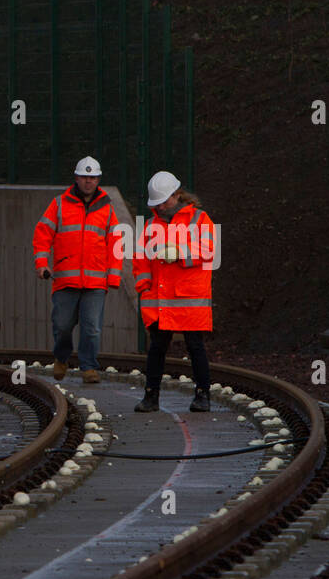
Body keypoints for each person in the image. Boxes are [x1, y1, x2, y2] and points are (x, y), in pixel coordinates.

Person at [32, 156, 122, 383]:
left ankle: (88, 367)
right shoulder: (59, 204)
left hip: (96, 282)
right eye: (84, 177)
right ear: (76, 178)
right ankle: (61, 358)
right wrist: (41, 265)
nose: (88, 181)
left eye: (92, 178)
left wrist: (113, 275)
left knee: (92, 328)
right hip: (65, 280)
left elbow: (116, 242)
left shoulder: (107, 208)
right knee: (62, 326)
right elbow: (42, 234)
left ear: (98, 179)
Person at [133, 171, 216, 413]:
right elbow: (141, 259)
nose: (160, 206)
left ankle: (202, 396)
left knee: (195, 346)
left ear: (177, 195)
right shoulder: (150, 225)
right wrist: (144, 286)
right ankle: (151, 397)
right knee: (157, 347)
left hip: (189, 298)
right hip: (160, 298)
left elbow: (209, 249)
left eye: (164, 201)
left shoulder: (200, 219)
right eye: (156, 202)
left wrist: (179, 253)